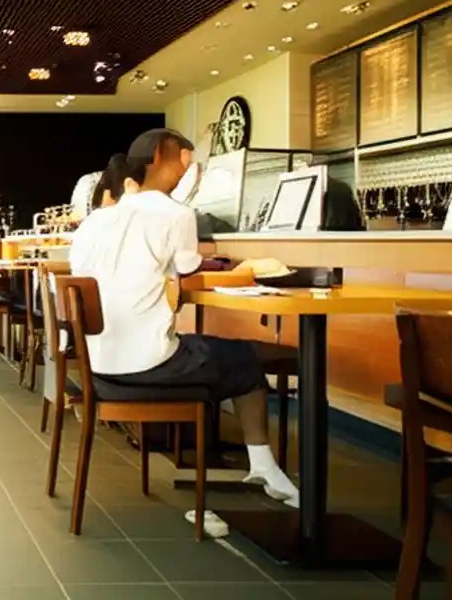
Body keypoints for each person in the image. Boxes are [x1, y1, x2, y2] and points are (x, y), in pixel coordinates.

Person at [68, 128, 299, 508]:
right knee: (245, 360)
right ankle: (263, 466)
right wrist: (243, 271)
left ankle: (253, 466)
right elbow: (188, 272)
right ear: (160, 155)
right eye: (184, 162)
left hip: (97, 366)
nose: (186, 173)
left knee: (208, 349)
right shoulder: (176, 213)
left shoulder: (95, 222)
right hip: (150, 367)